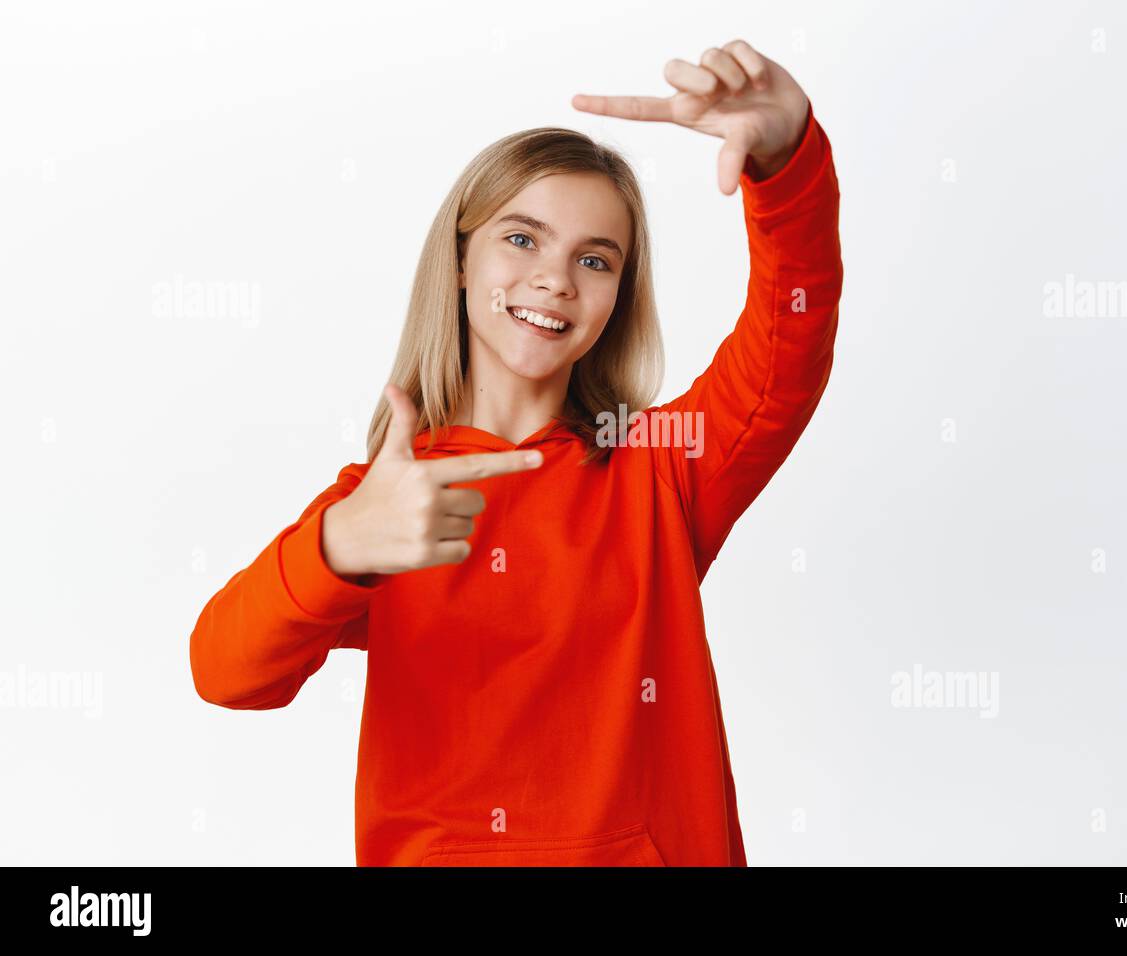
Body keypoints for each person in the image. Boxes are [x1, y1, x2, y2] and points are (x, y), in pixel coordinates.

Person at [189, 39, 843, 866]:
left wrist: (787, 169)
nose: (556, 279)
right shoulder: (389, 503)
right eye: (523, 240)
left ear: (616, 298)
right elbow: (224, 671)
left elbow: (788, 348)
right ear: (461, 259)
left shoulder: (660, 468)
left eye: (594, 259)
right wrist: (339, 546)